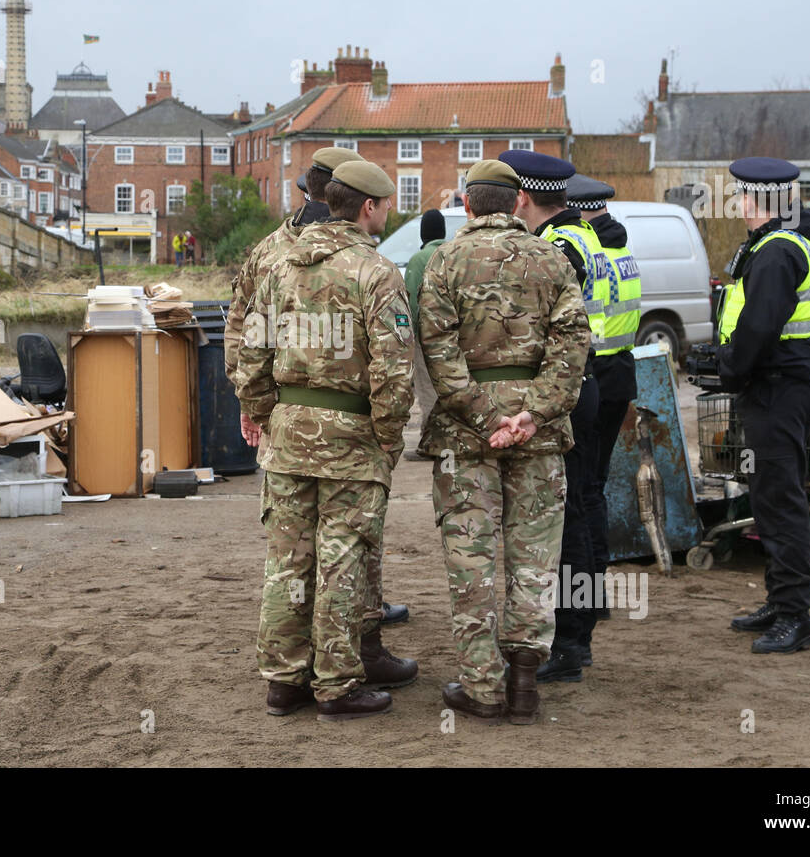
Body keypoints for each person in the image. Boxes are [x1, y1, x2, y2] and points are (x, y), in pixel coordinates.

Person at [236, 160, 416, 720]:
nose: (386, 213)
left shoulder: (278, 265)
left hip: (288, 435)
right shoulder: (377, 272)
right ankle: (336, 683)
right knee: (343, 558)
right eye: (385, 205)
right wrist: (388, 437)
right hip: (351, 439)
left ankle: (283, 681)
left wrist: (264, 413)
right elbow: (394, 370)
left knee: (287, 558)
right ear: (368, 207)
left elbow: (250, 354)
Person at [418, 159, 590, 724]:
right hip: (537, 436)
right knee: (535, 558)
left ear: (466, 205)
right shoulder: (555, 260)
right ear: (518, 204)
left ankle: (481, 687)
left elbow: (438, 356)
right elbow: (572, 348)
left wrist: (486, 414)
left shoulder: (443, 262)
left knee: (471, 560)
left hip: (465, 437)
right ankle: (524, 685)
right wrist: (530, 414)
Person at [498, 149, 604, 684]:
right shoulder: (583, 234)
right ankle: (578, 629)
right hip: (591, 383)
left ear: (521, 197)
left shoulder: (557, 247)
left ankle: (569, 639)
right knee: (583, 506)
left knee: (567, 521)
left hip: (569, 389)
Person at [718, 157, 810, 654]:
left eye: (741, 196)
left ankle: (794, 616)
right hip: (777, 384)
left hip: (778, 386)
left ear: (751, 201)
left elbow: (759, 326)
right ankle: (780, 600)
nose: (738, 204)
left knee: (779, 500)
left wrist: (730, 370)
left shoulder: (777, 253)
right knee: (768, 497)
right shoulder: (773, 247)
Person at [567, 175, 641, 643]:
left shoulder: (584, 252)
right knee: (597, 486)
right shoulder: (622, 251)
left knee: (585, 491)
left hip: (592, 377)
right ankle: (598, 589)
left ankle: (590, 597)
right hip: (620, 376)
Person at [404, 208, 448, 458]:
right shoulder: (452, 254)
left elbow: (410, 303)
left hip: (427, 336)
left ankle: (432, 444)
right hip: (452, 336)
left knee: (427, 390)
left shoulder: (420, 259)